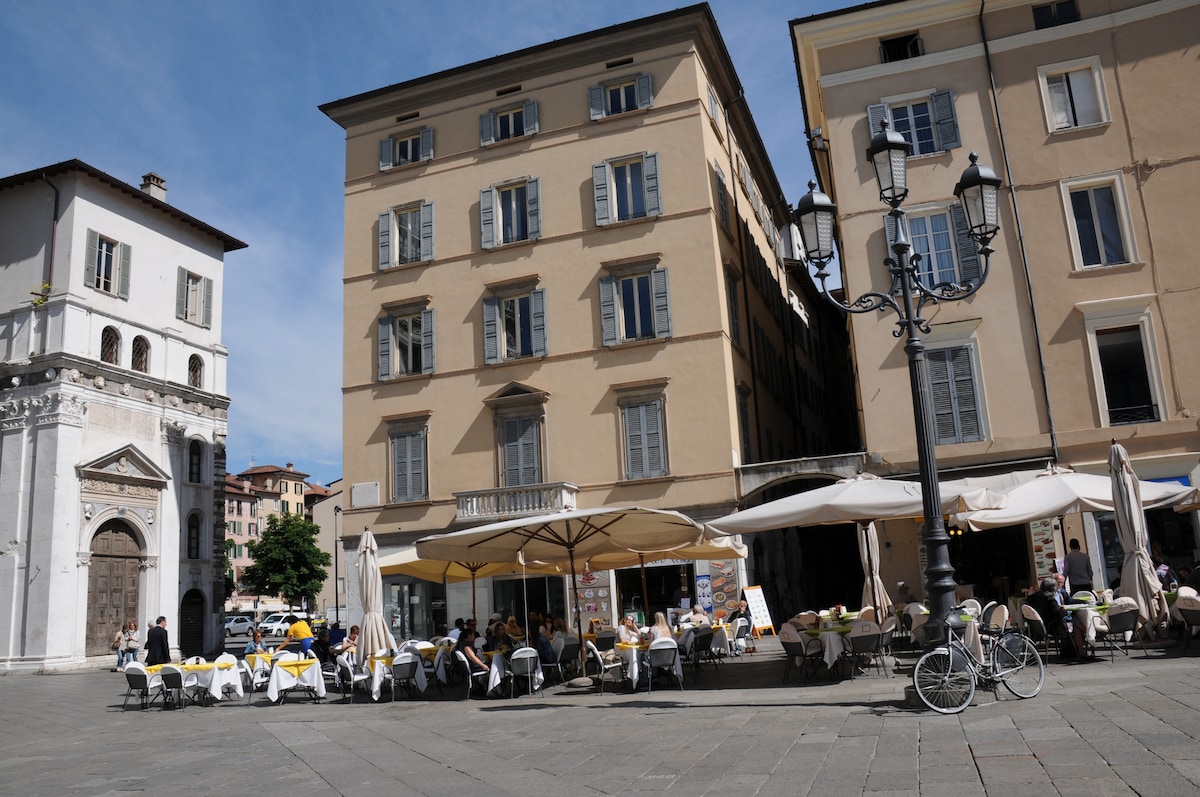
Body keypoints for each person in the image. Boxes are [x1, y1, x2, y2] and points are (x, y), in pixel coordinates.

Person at [1026, 577, 1084, 660]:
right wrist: (1065, 610)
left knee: (1074, 622)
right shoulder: (1050, 600)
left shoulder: (1032, 598)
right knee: (1075, 621)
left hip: (1037, 627)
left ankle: (1078, 650)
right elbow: (1058, 614)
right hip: (1052, 627)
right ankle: (1076, 651)